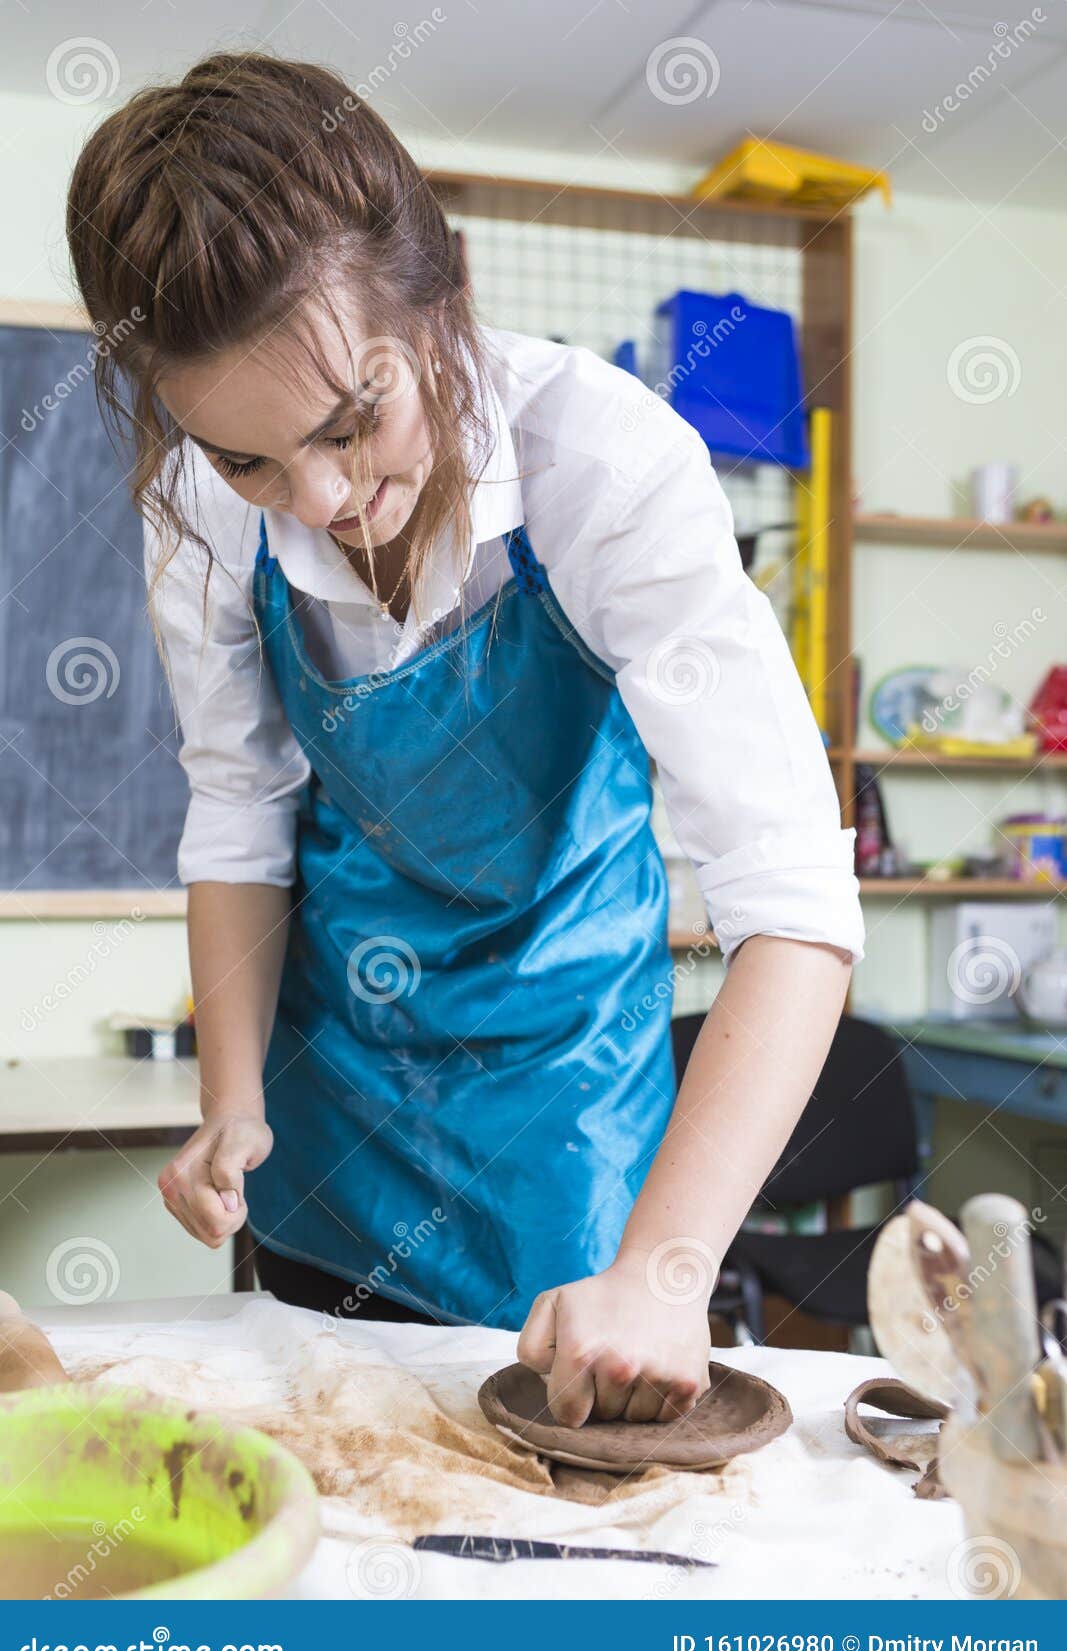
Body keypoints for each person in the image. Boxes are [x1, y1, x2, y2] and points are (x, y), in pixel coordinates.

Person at [66, 52, 862, 1428]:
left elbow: (793, 896)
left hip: (561, 1093)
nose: (318, 500)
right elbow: (241, 805)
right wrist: (234, 1099)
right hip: (339, 1100)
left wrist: (667, 1270)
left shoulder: (607, 471)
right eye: (252, 459)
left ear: (445, 301)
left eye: (351, 420)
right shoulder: (197, 509)